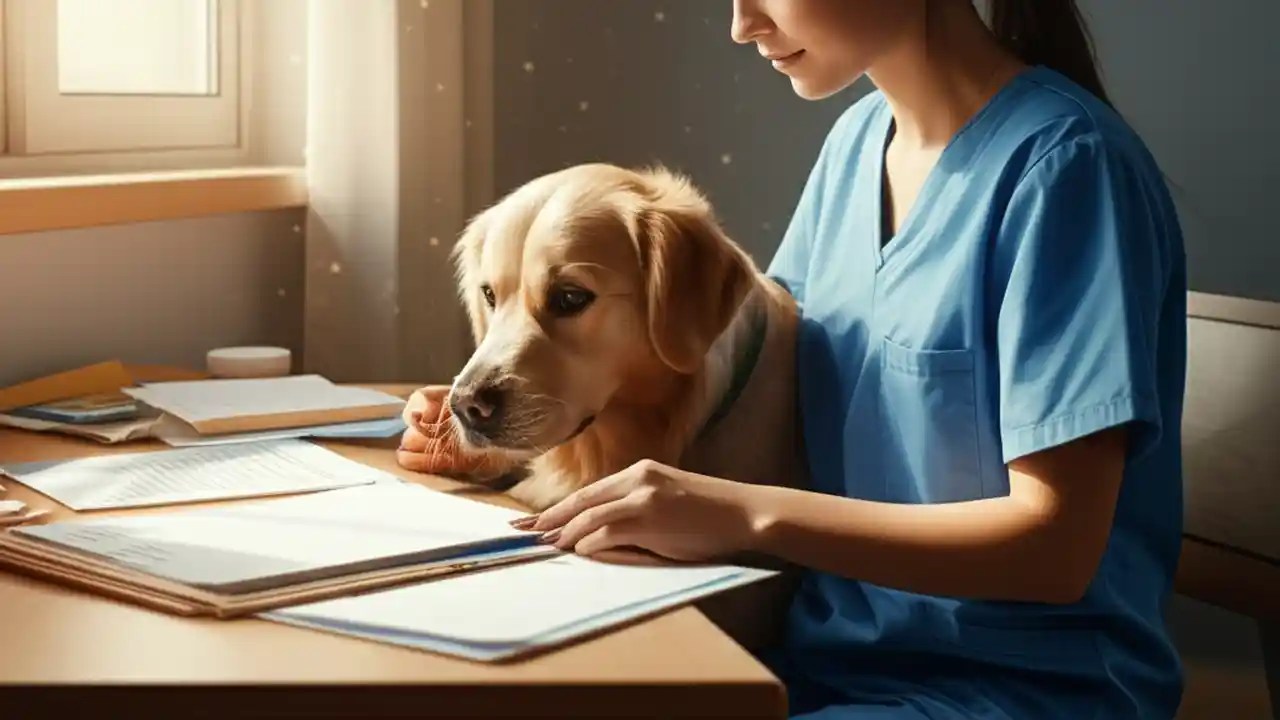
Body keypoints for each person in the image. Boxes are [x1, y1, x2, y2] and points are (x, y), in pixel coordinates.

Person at [400, 1, 1188, 717]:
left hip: (1017, 692)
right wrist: (511, 436)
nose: (743, 22)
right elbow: (745, 386)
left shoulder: (1066, 170)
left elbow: (1056, 549)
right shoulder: (855, 146)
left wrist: (744, 514)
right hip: (818, 668)